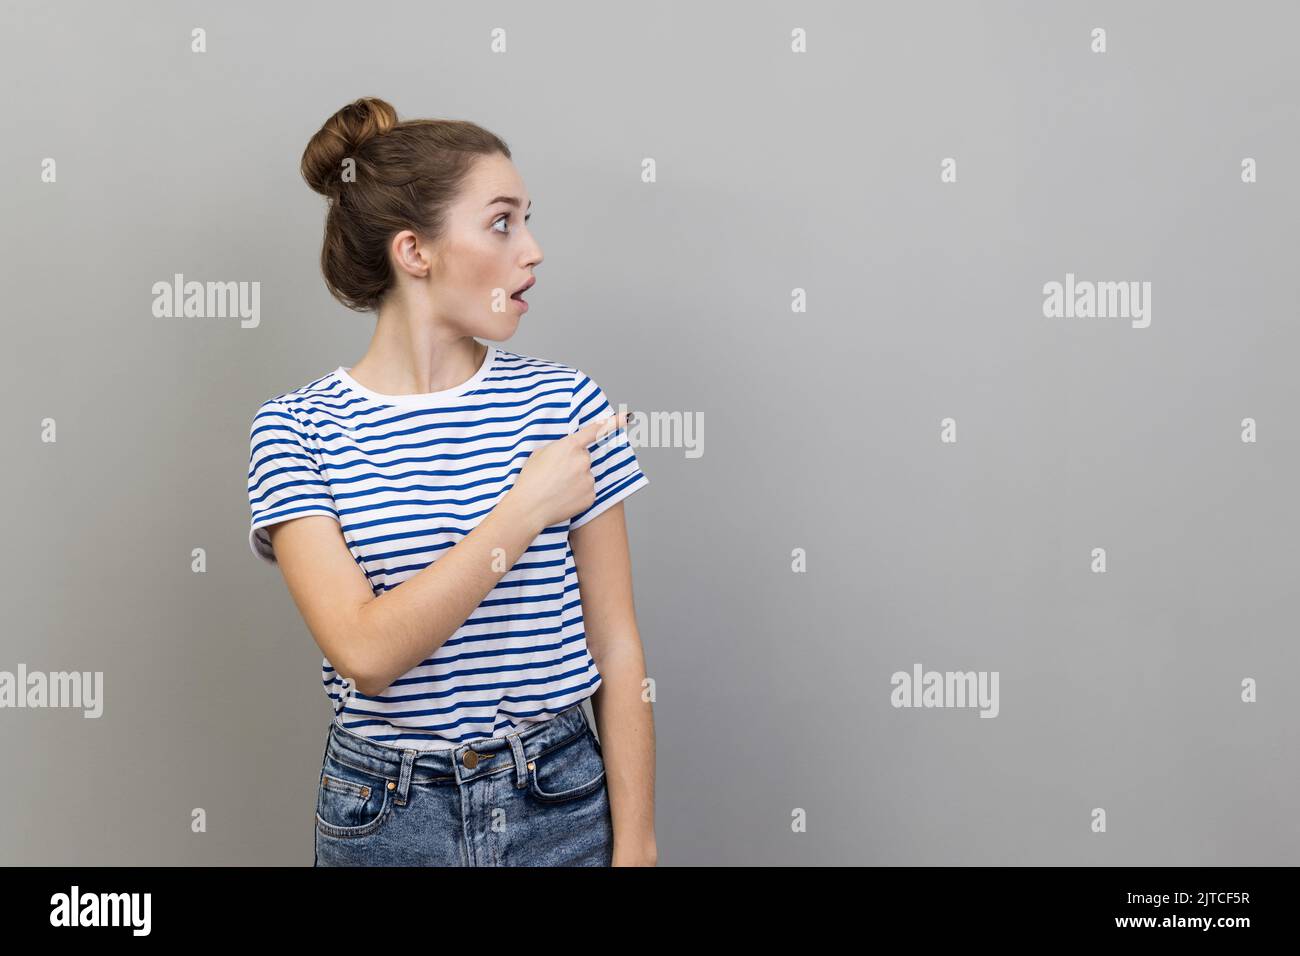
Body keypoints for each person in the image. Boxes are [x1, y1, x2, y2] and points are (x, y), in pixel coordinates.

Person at [245, 97, 656, 866]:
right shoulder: (296, 430)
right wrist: (525, 509)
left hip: (559, 800)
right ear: (415, 252)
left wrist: (636, 844)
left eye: (528, 220)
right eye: (502, 222)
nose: (531, 250)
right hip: (387, 818)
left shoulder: (565, 405)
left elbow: (618, 645)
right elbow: (366, 652)